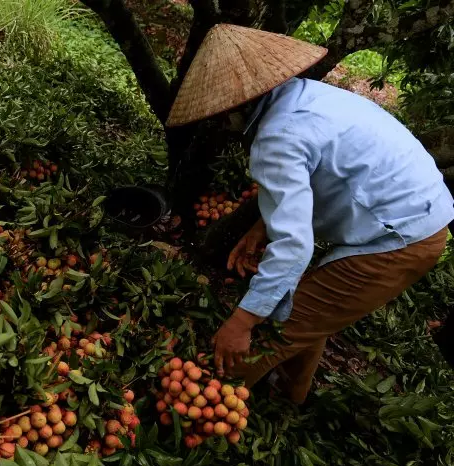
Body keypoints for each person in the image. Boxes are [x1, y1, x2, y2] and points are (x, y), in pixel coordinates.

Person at [166, 24, 454, 403]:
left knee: (272, 332)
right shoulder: (309, 97)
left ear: (239, 106)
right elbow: (315, 179)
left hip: (399, 238)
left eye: (222, 114)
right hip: (419, 214)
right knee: (310, 310)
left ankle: (209, 406)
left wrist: (242, 321)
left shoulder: (277, 136)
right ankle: (291, 395)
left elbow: (296, 246)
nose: (221, 123)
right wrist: (262, 225)